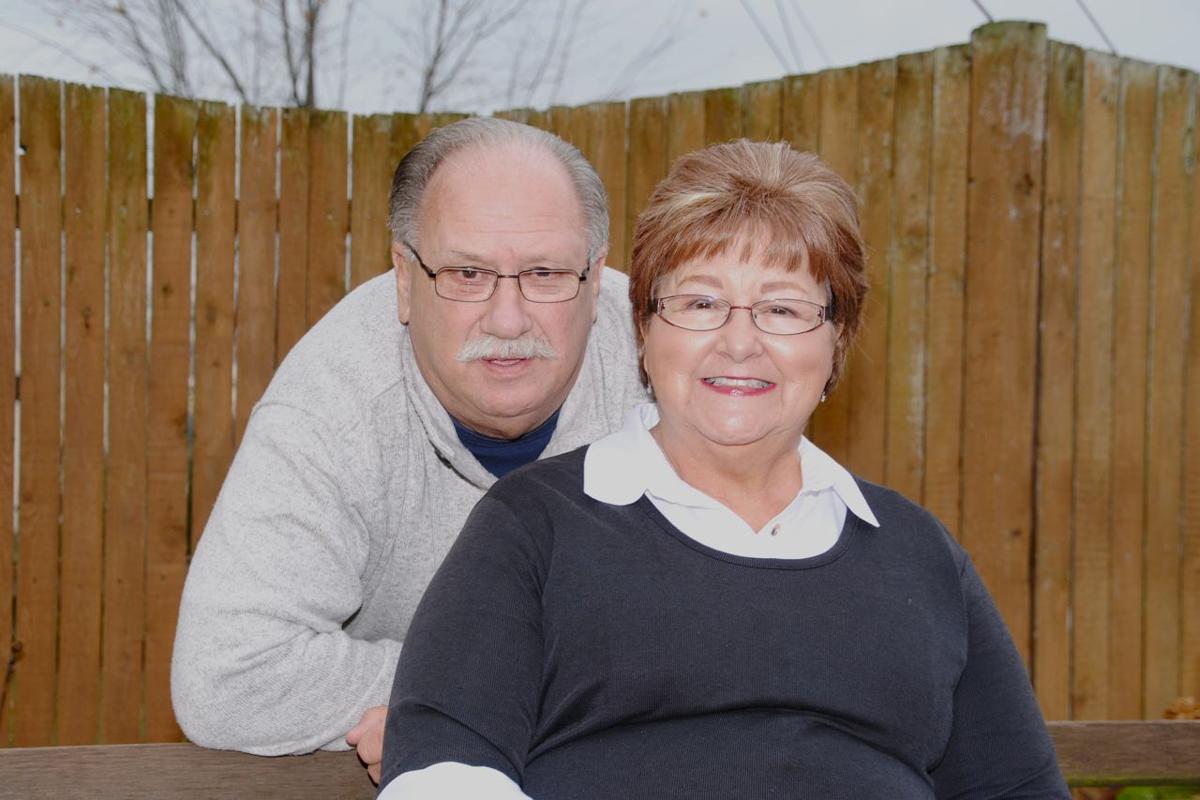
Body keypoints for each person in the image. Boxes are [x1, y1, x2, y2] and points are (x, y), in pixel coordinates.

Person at [378, 140, 1069, 798]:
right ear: (645, 330)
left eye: (782, 308)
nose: (740, 344)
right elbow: (443, 776)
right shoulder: (534, 529)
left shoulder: (919, 557)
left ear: (838, 341)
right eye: (701, 302)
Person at [170, 118, 647, 781]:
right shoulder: (332, 404)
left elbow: (752, 613)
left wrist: (469, 698)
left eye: (544, 272)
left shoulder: (669, 361)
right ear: (403, 275)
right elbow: (227, 672)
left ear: (596, 279)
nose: (507, 319)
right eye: (467, 272)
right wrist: (492, 693)